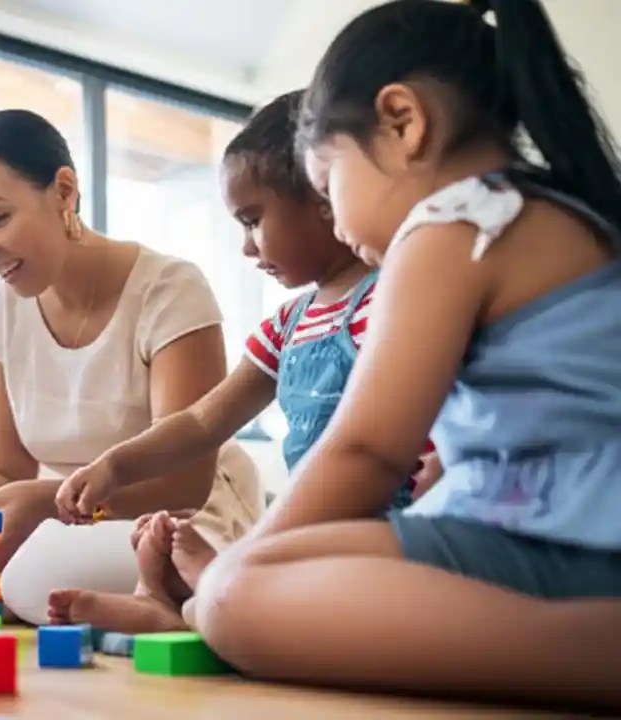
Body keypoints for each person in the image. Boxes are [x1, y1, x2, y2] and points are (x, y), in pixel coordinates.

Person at [190, 0, 621, 710]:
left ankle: (591, 648)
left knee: (235, 596)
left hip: (566, 540)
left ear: (402, 123)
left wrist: (238, 564)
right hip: (551, 521)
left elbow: (364, 452)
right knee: (254, 575)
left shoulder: (451, 225)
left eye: (329, 188)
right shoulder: (558, 210)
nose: (338, 221)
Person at [0, 109, 262, 624]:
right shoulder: (2, 314)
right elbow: (7, 472)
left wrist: (48, 503)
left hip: (179, 522)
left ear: (64, 191)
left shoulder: (170, 290)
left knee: (27, 577)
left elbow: (184, 482)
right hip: (73, 517)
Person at [47, 90, 428, 633]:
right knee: (162, 537)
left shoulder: (391, 296)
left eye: (253, 220)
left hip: (382, 527)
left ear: (323, 197)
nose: (248, 249)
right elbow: (205, 421)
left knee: (270, 575)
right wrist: (116, 465)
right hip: (311, 527)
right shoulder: (288, 323)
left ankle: (215, 593)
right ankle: (166, 595)